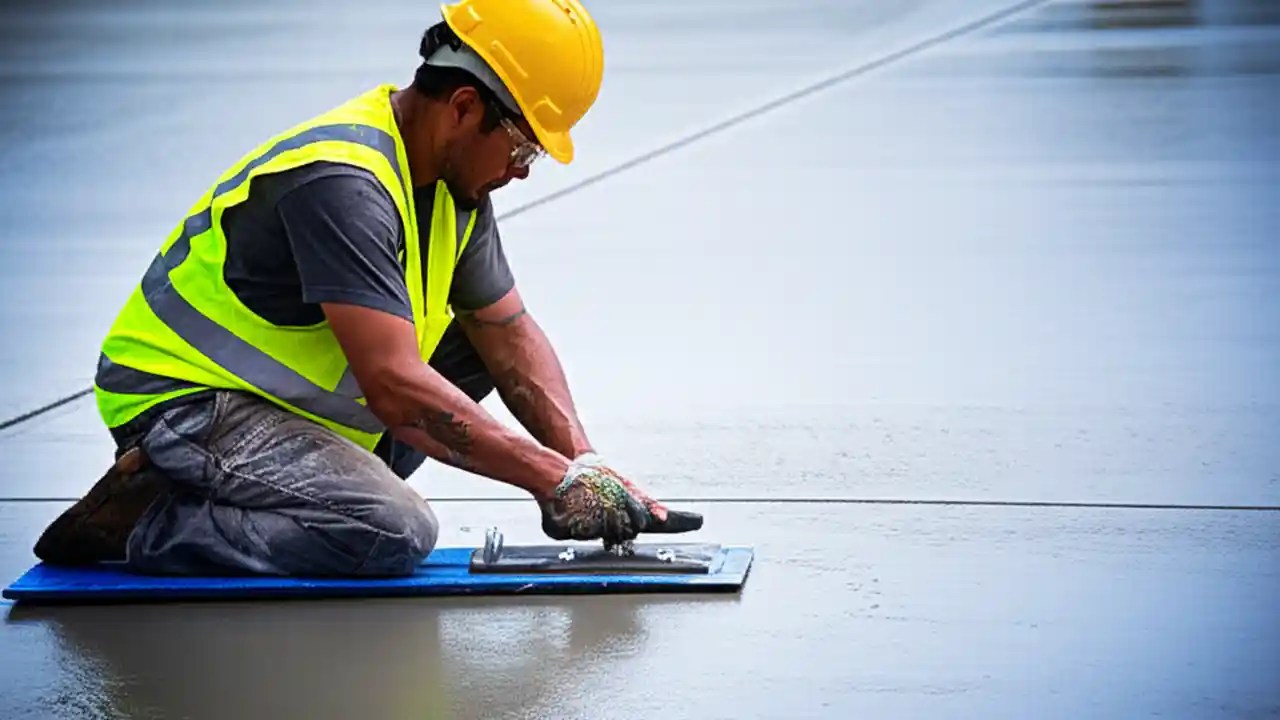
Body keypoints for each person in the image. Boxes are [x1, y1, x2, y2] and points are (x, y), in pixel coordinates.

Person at [33, 0, 701, 576]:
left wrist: (583, 463)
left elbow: (508, 335)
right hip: (186, 400)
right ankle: (146, 522)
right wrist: (550, 482)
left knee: (473, 344)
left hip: (273, 401)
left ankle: (292, 488)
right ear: (465, 107)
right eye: (523, 150)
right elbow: (392, 385)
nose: (522, 172)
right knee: (392, 529)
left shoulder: (452, 188)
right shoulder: (343, 185)